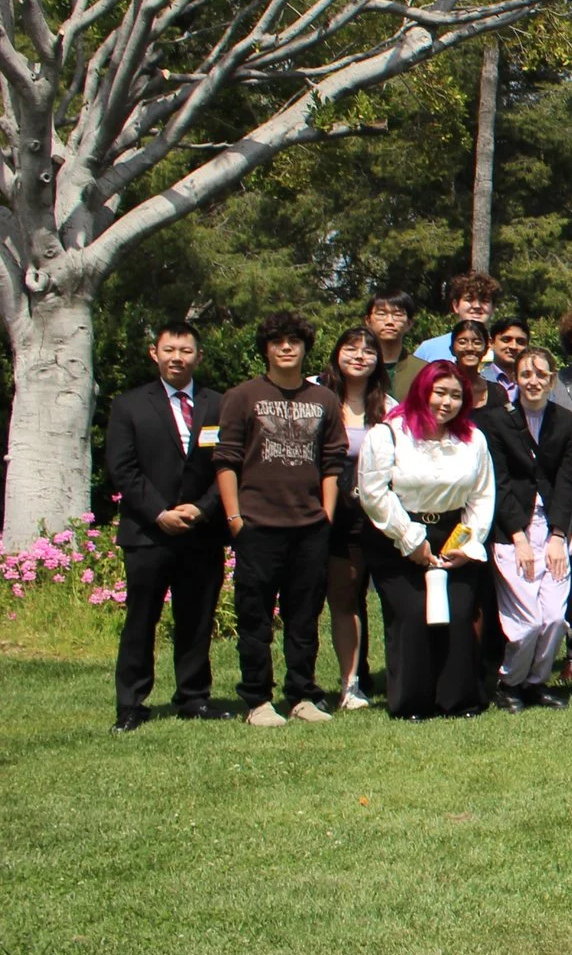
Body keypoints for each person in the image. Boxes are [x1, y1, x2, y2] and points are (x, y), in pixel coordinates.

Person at [214, 311, 350, 728]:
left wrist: (326, 515)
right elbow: (226, 460)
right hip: (256, 525)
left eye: (294, 341)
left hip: (309, 527)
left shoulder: (323, 399)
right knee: (255, 618)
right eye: (277, 342)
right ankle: (257, 700)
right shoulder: (242, 396)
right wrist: (235, 517)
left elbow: (332, 461)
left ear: (307, 348)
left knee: (304, 618)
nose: (286, 347)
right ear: (267, 349)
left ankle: (303, 694)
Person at [105, 321, 231, 730]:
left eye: (186, 350)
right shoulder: (129, 405)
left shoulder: (218, 405)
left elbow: (229, 464)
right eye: (169, 350)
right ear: (154, 354)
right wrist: (160, 512)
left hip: (201, 531)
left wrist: (203, 507)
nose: (178, 357)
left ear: (199, 356)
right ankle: (131, 703)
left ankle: (193, 697)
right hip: (148, 532)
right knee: (142, 618)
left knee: (196, 617)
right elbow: (123, 470)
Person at [355, 360, 498, 719]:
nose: (446, 403)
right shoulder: (388, 434)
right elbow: (374, 493)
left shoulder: (472, 439)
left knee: (460, 612)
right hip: (397, 532)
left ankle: (459, 699)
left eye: (455, 395)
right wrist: (410, 539)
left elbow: (482, 495)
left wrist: (467, 543)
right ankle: (412, 703)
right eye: (440, 392)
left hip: (453, 533)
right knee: (414, 615)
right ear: (422, 390)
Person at [479, 345, 572, 710]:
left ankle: (536, 683)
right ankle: (510, 683)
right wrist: (518, 536)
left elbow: (566, 481)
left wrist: (558, 535)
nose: (533, 381)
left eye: (541, 375)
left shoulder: (564, 421)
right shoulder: (497, 420)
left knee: (553, 617)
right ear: (515, 380)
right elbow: (499, 482)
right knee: (527, 623)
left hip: (551, 531)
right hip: (512, 532)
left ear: (552, 380)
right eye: (526, 375)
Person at [318, 325, 392, 710]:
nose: (360, 356)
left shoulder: (389, 407)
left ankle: (399, 676)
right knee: (344, 598)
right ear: (337, 353)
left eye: (368, 351)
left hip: (379, 517)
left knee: (393, 598)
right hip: (334, 516)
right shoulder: (317, 397)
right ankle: (351, 683)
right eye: (351, 348)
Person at [414, 271, 499, 363]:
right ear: (455, 305)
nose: (477, 306)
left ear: (493, 307)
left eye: (484, 300)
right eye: (469, 299)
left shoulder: (504, 350)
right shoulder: (429, 350)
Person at [365, 292, 420, 399]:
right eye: (381, 314)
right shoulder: (355, 366)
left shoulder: (422, 370)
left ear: (409, 323)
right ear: (368, 321)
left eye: (398, 315)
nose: (389, 321)